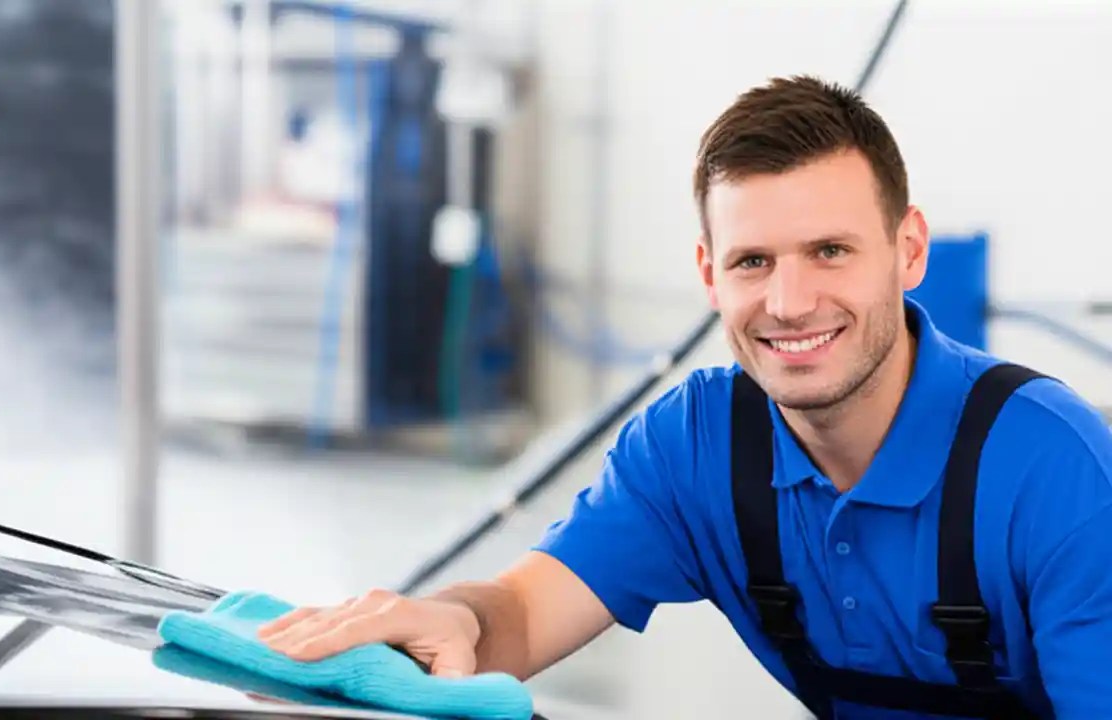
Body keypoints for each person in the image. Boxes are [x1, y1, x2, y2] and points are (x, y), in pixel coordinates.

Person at [254, 75, 1112, 718]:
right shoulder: (695, 446)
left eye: (830, 251)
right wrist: (450, 619)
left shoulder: (1052, 472)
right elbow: (521, 609)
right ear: (709, 273)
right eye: (752, 261)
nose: (788, 302)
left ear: (908, 251)